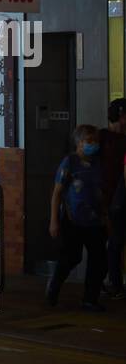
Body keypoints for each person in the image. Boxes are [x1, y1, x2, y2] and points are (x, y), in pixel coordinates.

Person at [47, 124, 108, 311]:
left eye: (96, 141)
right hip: (73, 219)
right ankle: (53, 288)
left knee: (99, 260)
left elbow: (100, 192)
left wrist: (106, 216)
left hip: (95, 221)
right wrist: (54, 221)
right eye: (89, 141)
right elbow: (57, 193)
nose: (94, 145)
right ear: (79, 143)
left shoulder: (98, 164)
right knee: (71, 257)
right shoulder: (70, 163)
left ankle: (90, 300)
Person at [100, 98, 126, 298]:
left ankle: (114, 283)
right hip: (104, 200)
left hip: (119, 199)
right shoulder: (101, 139)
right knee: (109, 244)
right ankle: (110, 282)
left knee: (115, 243)